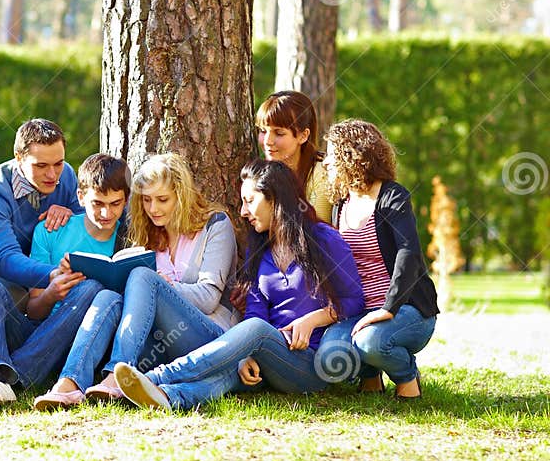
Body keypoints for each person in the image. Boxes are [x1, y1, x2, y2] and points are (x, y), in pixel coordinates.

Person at [115, 159, 365, 411]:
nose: (244, 212)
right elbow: (256, 311)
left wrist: (313, 320)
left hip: (308, 364)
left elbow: (355, 301)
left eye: (250, 201)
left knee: (256, 330)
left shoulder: (323, 239)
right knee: (230, 372)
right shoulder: (260, 250)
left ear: (275, 199)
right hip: (270, 356)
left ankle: (158, 376)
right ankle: (169, 397)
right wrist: (244, 356)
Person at [0, 118, 95, 411]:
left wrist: (70, 212)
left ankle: (15, 375)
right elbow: (5, 260)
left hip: (42, 294)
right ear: (18, 158)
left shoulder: (66, 178)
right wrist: (55, 275)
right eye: (41, 166)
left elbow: (86, 224)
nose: (53, 174)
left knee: (90, 290)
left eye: (58, 163)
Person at [82, 153, 240, 402]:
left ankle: (115, 376)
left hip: (210, 338)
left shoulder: (215, 225)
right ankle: (72, 381)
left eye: (162, 199)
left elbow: (209, 297)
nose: (153, 209)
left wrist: (164, 287)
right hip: (159, 343)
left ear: (181, 195)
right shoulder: (148, 233)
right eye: (146, 200)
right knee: (108, 297)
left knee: (144, 277)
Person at [315, 119, 439, 399]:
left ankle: (407, 377)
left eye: (333, 154)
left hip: (405, 308)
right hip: (359, 311)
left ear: (353, 155)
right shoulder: (340, 205)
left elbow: (408, 254)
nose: (327, 162)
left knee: (370, 342)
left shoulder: (392, 196)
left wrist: (388, 309)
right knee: (329, 357)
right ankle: (370, 375)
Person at [21, 153, 130, 410]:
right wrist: (51, 293)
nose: (106, 213)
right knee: (88, 288)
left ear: (126, 200)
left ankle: (23, 373)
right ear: (80, 197)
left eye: (115, 204)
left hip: (102, 342)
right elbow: (33, 310)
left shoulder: (130, 235)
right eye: (97, 203)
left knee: (97, 290)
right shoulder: (51, 230)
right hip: (51, 336)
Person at [256, 91, 333, 222]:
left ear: (303, 136)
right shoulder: (259, 174)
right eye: (263, 131)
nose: (267, 141)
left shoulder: (321, 174)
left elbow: (318, 229)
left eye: (279, 133)